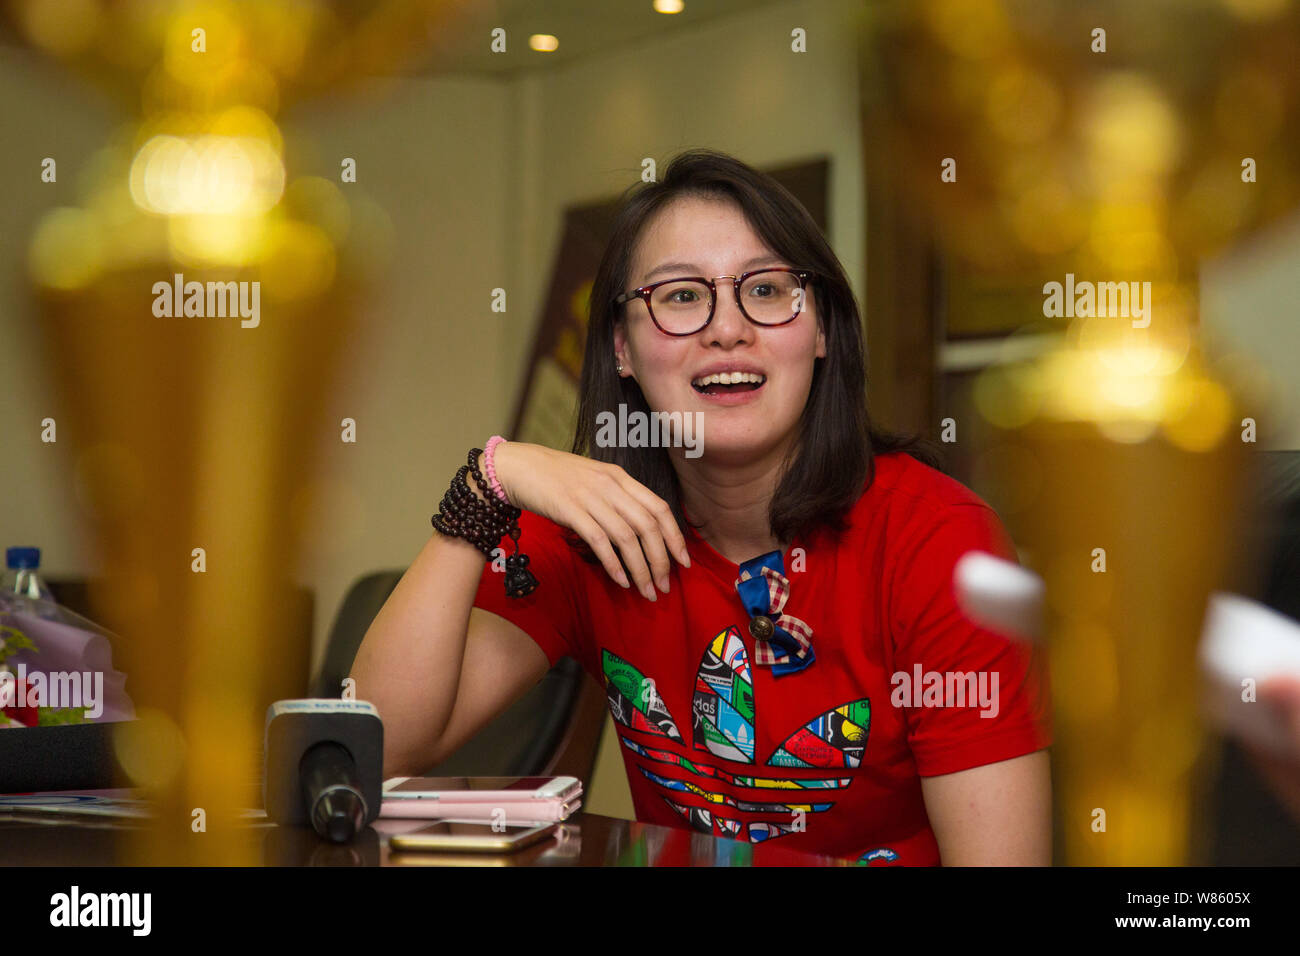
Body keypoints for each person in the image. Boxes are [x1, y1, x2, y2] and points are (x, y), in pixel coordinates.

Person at [350, 148, 1052, 865]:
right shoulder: (591, 530)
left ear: (823, 331)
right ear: (622, 348)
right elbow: (368, 754)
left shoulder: (940, 543)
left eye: (768, 290)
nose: (726, 328)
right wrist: (486, 483)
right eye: (681, 295)